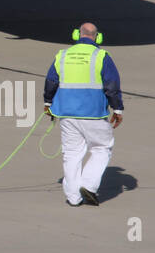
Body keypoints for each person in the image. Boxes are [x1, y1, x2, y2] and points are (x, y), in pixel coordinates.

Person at [43, 22, 124, 206]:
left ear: (76, 35)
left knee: (71, 154)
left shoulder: (62, 55)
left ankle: (73, 197)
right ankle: (88, 184)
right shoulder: (101, 56)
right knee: (102, 148)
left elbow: (51, 81)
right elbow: (112, 85)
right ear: (98, 37)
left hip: (67, 113)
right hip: (93, 114)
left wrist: (48, 103)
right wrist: (117, 108)